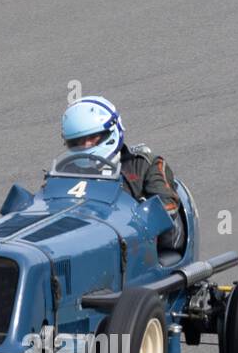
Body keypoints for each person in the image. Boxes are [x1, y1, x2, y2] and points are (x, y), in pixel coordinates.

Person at [60, 96, 186, 255]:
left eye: (92, 138)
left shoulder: (144, 164)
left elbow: (168, 207)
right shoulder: (67, 170)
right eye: (78, 141)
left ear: (111, 131)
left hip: (140, 248)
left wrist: (136, 214)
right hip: (85, 241)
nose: (86, 146)